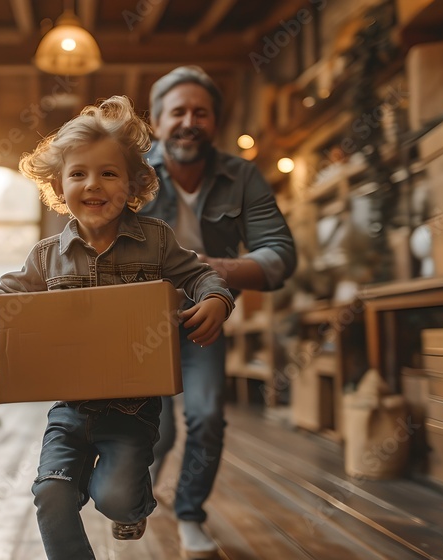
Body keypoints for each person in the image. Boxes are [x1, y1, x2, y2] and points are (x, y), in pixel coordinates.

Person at [0, 95, 234, 560]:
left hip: (132, 412)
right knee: (50, 494)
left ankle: (129, 501)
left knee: (115, 497)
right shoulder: (46, 255)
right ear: (58, 184)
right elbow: (2, 296)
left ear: (133, 182)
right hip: (69, 409)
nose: (93, 185)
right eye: (79, 174)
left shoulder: (156, 241)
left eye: (109, 173)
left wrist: (215, 297)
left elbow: (199, 274)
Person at [141, 66, 297, 559]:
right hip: (140, 322)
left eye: (201, 112)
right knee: (156, 427)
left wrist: (220, 270)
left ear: (215, 122)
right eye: (178, 112)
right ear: (157, 121)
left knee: (206, 417)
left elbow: (280, 255)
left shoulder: (242, 175)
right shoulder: (132, 172)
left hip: (205, 315)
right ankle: (137, 499)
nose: (190, 121)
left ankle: (189, 513)